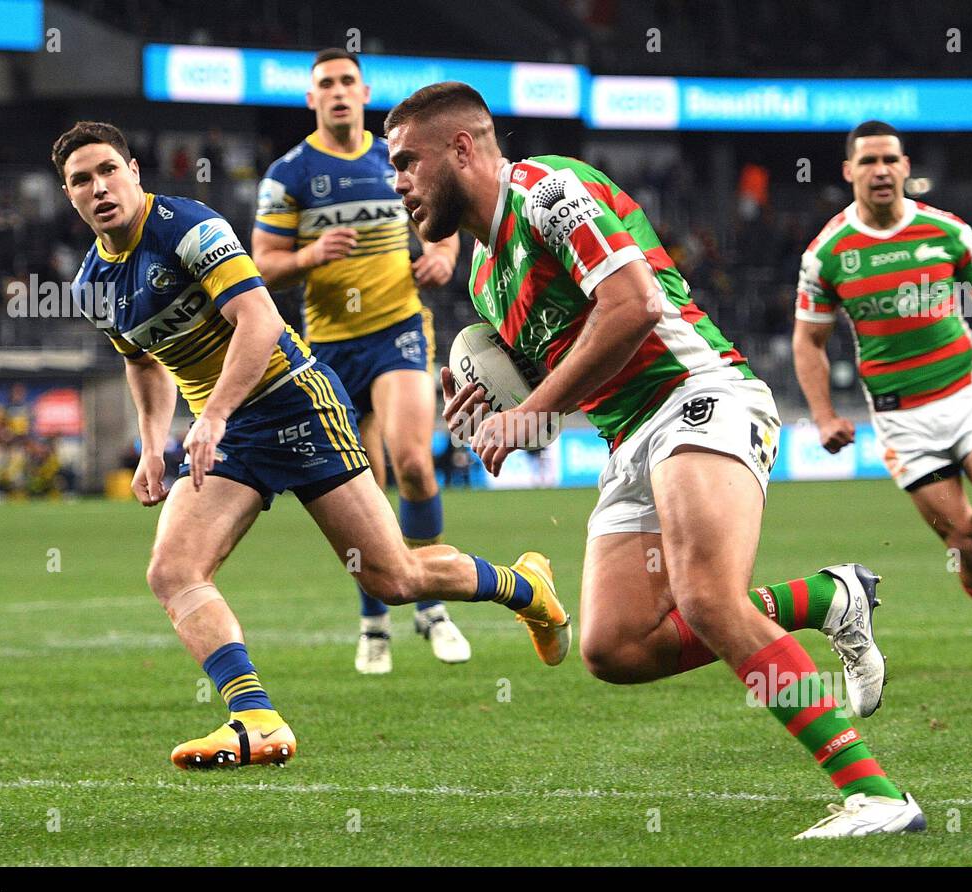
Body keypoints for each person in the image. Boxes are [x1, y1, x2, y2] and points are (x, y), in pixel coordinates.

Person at [385, 82, 923, 839]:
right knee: (616, 646)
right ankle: (826, 600)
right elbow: (564, 368)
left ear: (463, 148)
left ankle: (878, 795)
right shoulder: (481, 275)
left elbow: (632, 305)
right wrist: (495, 400)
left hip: (698, 393)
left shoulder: (549, 192)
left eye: (408, 162)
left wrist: (531, 412)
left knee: (706, 597)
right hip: (629, 435)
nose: (399, 182)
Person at [54, 120, 570, 770]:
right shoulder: (92, 285)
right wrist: (152, 445)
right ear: (69, 196)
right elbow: (142, 361)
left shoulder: (189, 228)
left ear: (133, 172)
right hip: (231, 432)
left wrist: (208, 418)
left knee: (394, 577)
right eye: (81, 180)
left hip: (293, 400)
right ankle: (255, 718)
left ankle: (525, 588)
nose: (98, 187)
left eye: (107, 170)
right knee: (172, 570)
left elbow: (262, 320)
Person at [792, 120, 972, 680]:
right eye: (868, 161)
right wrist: (822, 415)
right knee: (964, 540)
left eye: (890, 159)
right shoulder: (828, 253)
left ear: (906, 167)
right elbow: (808, 340)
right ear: (849, 173)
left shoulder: (947, 232)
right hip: (900, 419)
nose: (881, 170)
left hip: (965, 394)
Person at [251, 48, 469, 675]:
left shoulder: (394, 157)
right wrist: (310, 255)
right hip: (328, 345)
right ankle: (375, 621)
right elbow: (261, 261)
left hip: (398, 329)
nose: (339, 91)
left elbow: (445, 218)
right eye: (326, 84)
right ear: (311, 99)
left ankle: (433, 604)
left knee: (414, 465)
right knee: (366, 492)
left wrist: (445, 255)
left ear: (365, 91)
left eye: (348, 81)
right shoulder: (289, 173)